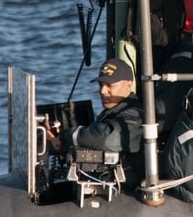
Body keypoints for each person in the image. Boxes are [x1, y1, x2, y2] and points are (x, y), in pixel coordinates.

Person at [44, 58, 145, 189]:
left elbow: (107, 138)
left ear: (128, 85)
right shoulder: (112, 112)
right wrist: (58, 141)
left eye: (109, 85)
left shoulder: (136, 114)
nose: (102, 91)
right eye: (101, 85)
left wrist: (67, 136)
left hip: (129, 190)